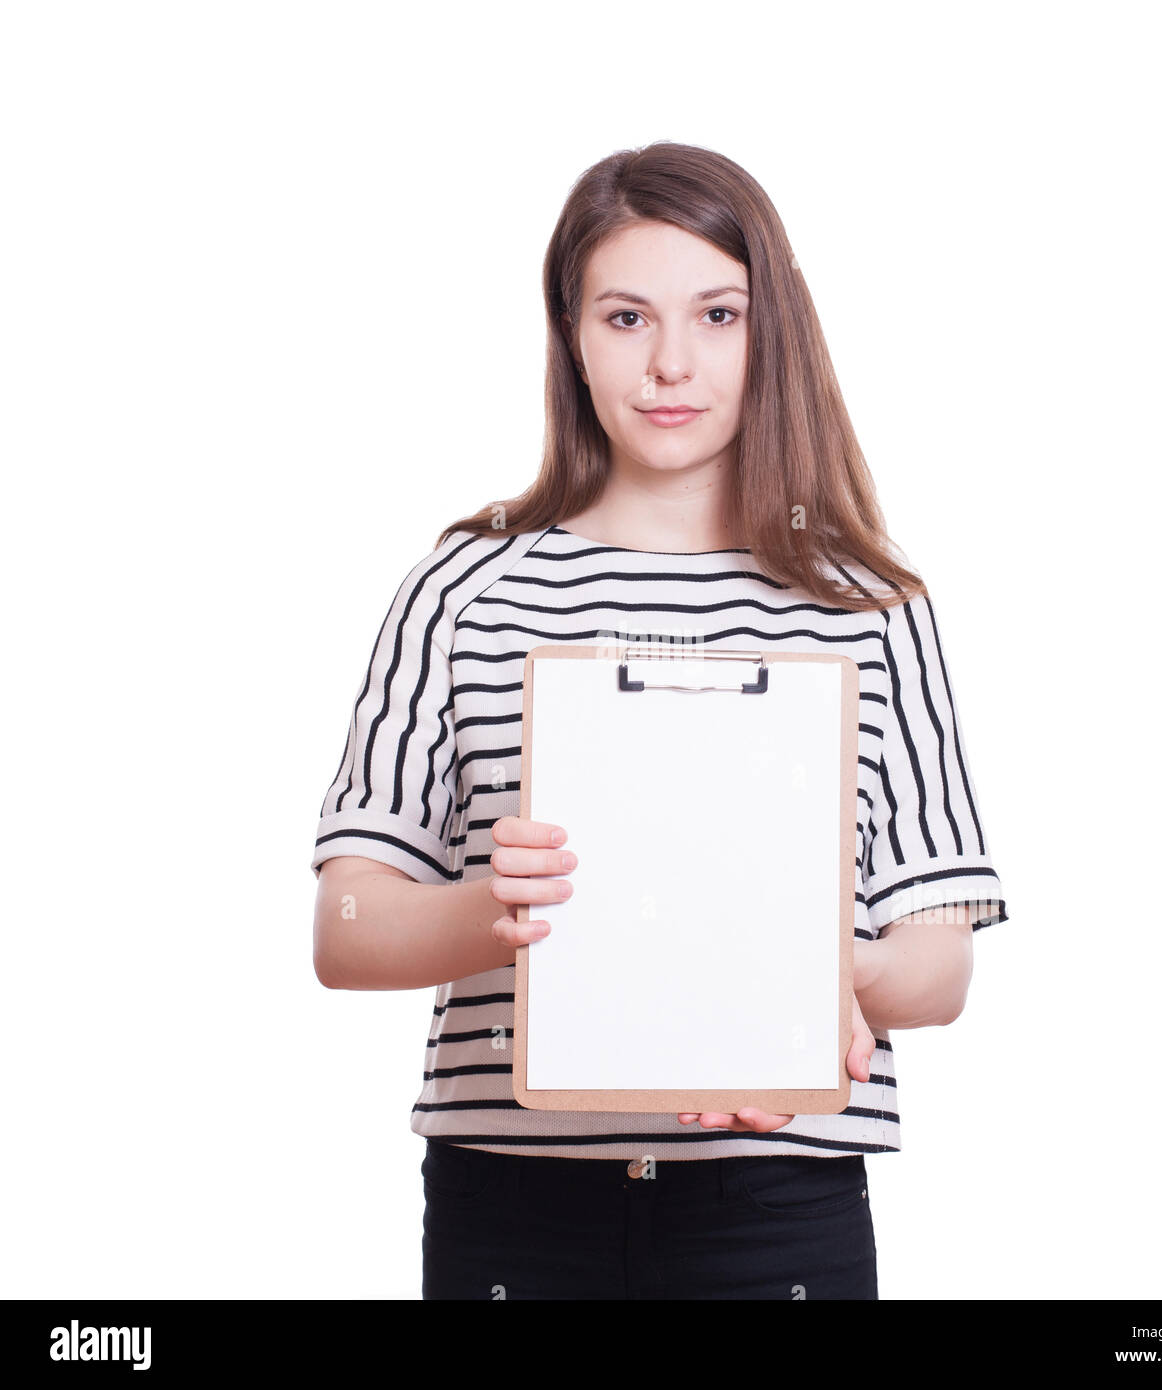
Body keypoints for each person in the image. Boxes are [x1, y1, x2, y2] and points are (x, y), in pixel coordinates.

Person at [309, 141, 1009, 1301]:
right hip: (513, 1203)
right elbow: (344, 923)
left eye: (717, 314)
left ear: (767, 329)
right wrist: (499, 907)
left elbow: (939, 963)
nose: (671, 362)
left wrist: (802, 972)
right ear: (571, 339)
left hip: (776, 1201)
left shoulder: (871, 604)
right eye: (626, 318)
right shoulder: (468, 586)